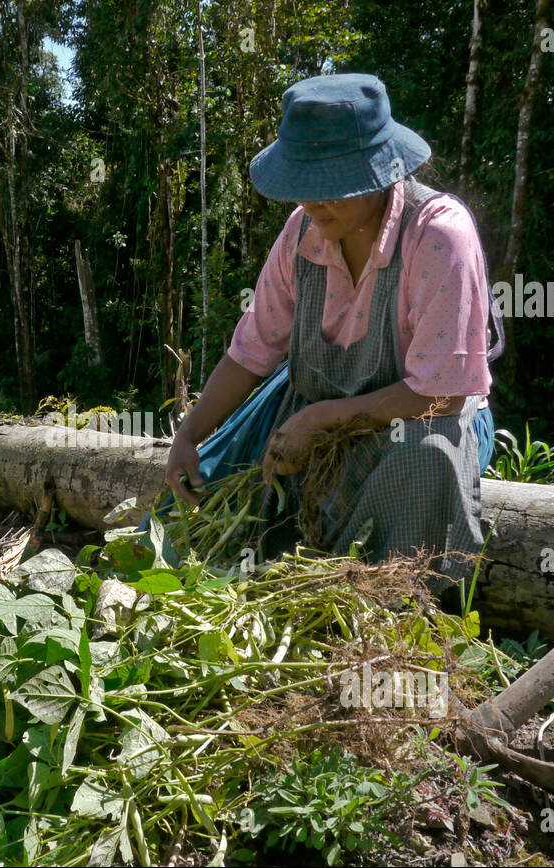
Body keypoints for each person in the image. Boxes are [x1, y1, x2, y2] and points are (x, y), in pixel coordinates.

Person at [163, 74, 500, 596]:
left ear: (379, 171)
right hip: (313, 407)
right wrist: (188, 435)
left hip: (422, 419)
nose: (313, 201)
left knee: (427, 458)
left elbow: (444, 392)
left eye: (332, 184)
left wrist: (321, 421)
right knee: (212, 504)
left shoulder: (436, 233)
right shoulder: (302, 232)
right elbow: (251, 351)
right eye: (304, 183)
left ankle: (384, 610)